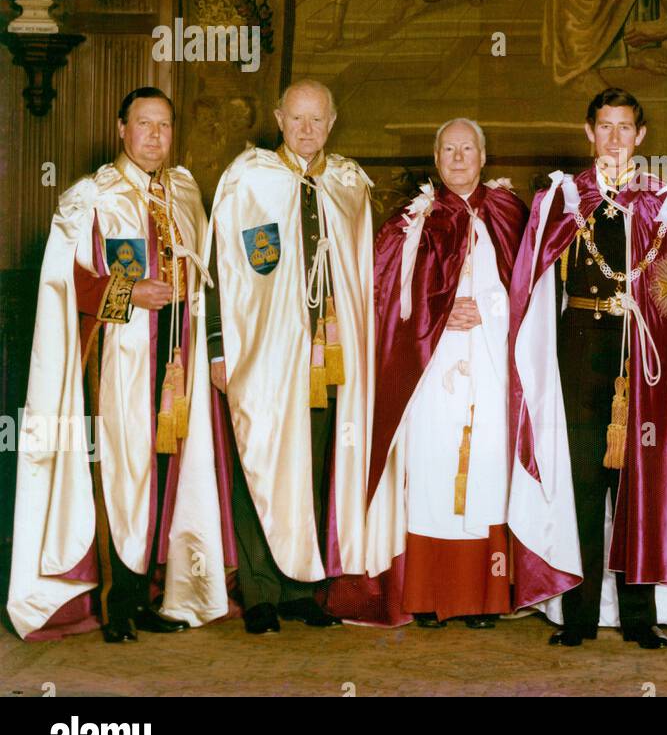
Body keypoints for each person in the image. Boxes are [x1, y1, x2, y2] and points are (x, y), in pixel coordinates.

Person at [508, 88, 667, 647]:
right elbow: (535, 285)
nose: (615, 139)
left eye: (625, 129)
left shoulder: (663, 201)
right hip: (580, 350)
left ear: (641, 137)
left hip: (644, 353)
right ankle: (580, 619)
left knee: (639, 484)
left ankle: (641, 619)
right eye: (605, 128)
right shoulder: (561, 198)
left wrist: (665, 325)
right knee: (585, 487)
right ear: (588, 132)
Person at [8, 89, 227, 642]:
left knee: (166, 473)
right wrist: (128, 293)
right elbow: (63, 282)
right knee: (122, 475)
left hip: (178, 359)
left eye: (165, 125)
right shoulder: (92, 198)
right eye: (144, 124)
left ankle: (152, 590)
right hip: (120, 361)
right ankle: (115, 602)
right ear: (121, 128)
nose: (155, 136)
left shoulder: (184, 191)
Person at [343, 118, 527, 628]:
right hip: (434, 368)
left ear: (484, 157)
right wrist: (442, 316)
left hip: (490, 365)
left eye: (468, 148)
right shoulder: (412, 220)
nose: (459, 157)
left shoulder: (509, 212)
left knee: (487, 474)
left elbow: (528, 292)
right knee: (432, 474)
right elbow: (388, 299)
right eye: (449, 149)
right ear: (437, 155)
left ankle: (483, 600)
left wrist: (486, 310)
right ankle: (428, 596)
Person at [205, 79, 374, 634]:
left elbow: (366, 273)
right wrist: (216, 350)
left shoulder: (348, 184)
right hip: (263, 352)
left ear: (333, 121)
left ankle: (303, 589)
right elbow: (216, 268)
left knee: (316, 464)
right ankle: (259, 592)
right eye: (296, 119)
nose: (306, 130)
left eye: (317, 120)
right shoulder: (246, 179)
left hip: (328, 354)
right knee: (262, 460)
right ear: (278, 118)